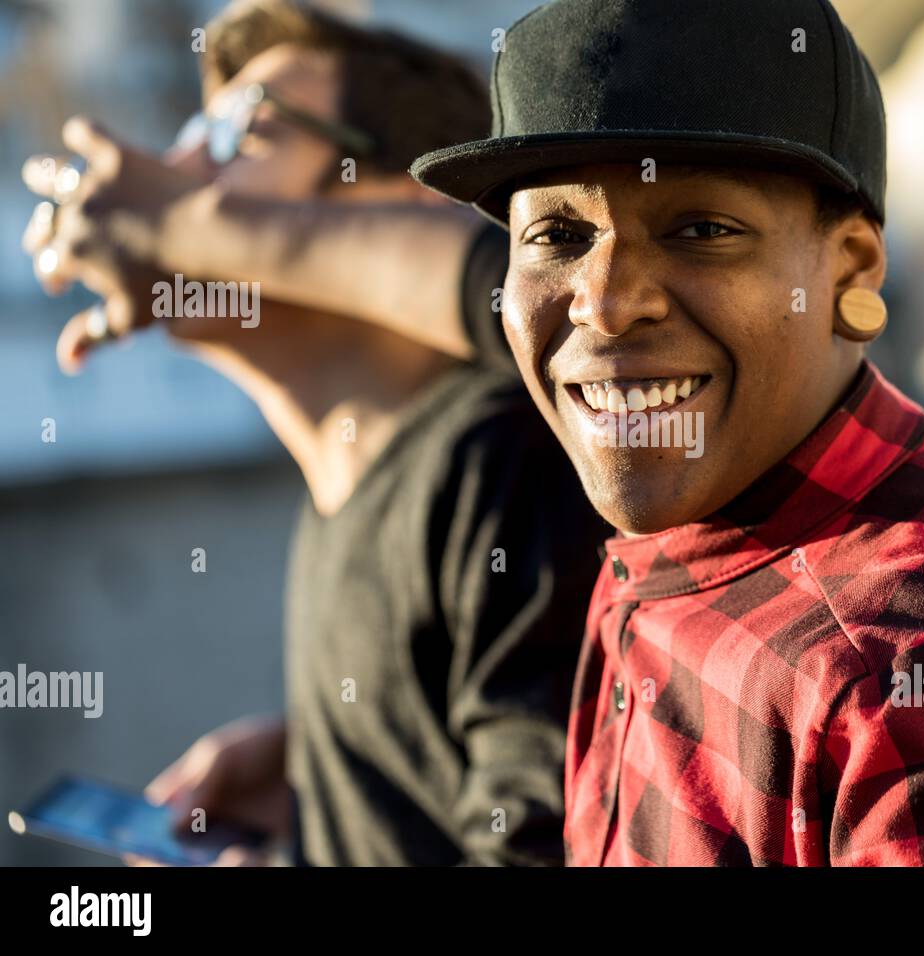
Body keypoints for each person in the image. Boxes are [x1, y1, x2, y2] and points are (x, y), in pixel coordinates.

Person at [405, 0, 924, 866]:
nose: (609, 302)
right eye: (556, 235)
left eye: (702, 230)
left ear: (850, 267)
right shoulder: (683, 538)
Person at [20, 0, 606, 866]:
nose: (175, 172)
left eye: (237, 136)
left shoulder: (505, 461)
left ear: (402, 203)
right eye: (190, 130)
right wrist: (332, 789)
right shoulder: (359, 492)